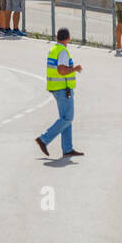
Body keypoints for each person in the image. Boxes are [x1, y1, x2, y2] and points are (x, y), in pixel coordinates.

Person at [35, 27, 83, 158]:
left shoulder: (54, 49)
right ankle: (44, 139)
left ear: (57, 38)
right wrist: (75, 68)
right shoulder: (62, 52)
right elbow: (62, 70)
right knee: (68, 118)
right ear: (68, 38)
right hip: (63, 88)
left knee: (65, 119)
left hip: (56, 87)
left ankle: (67, 149)